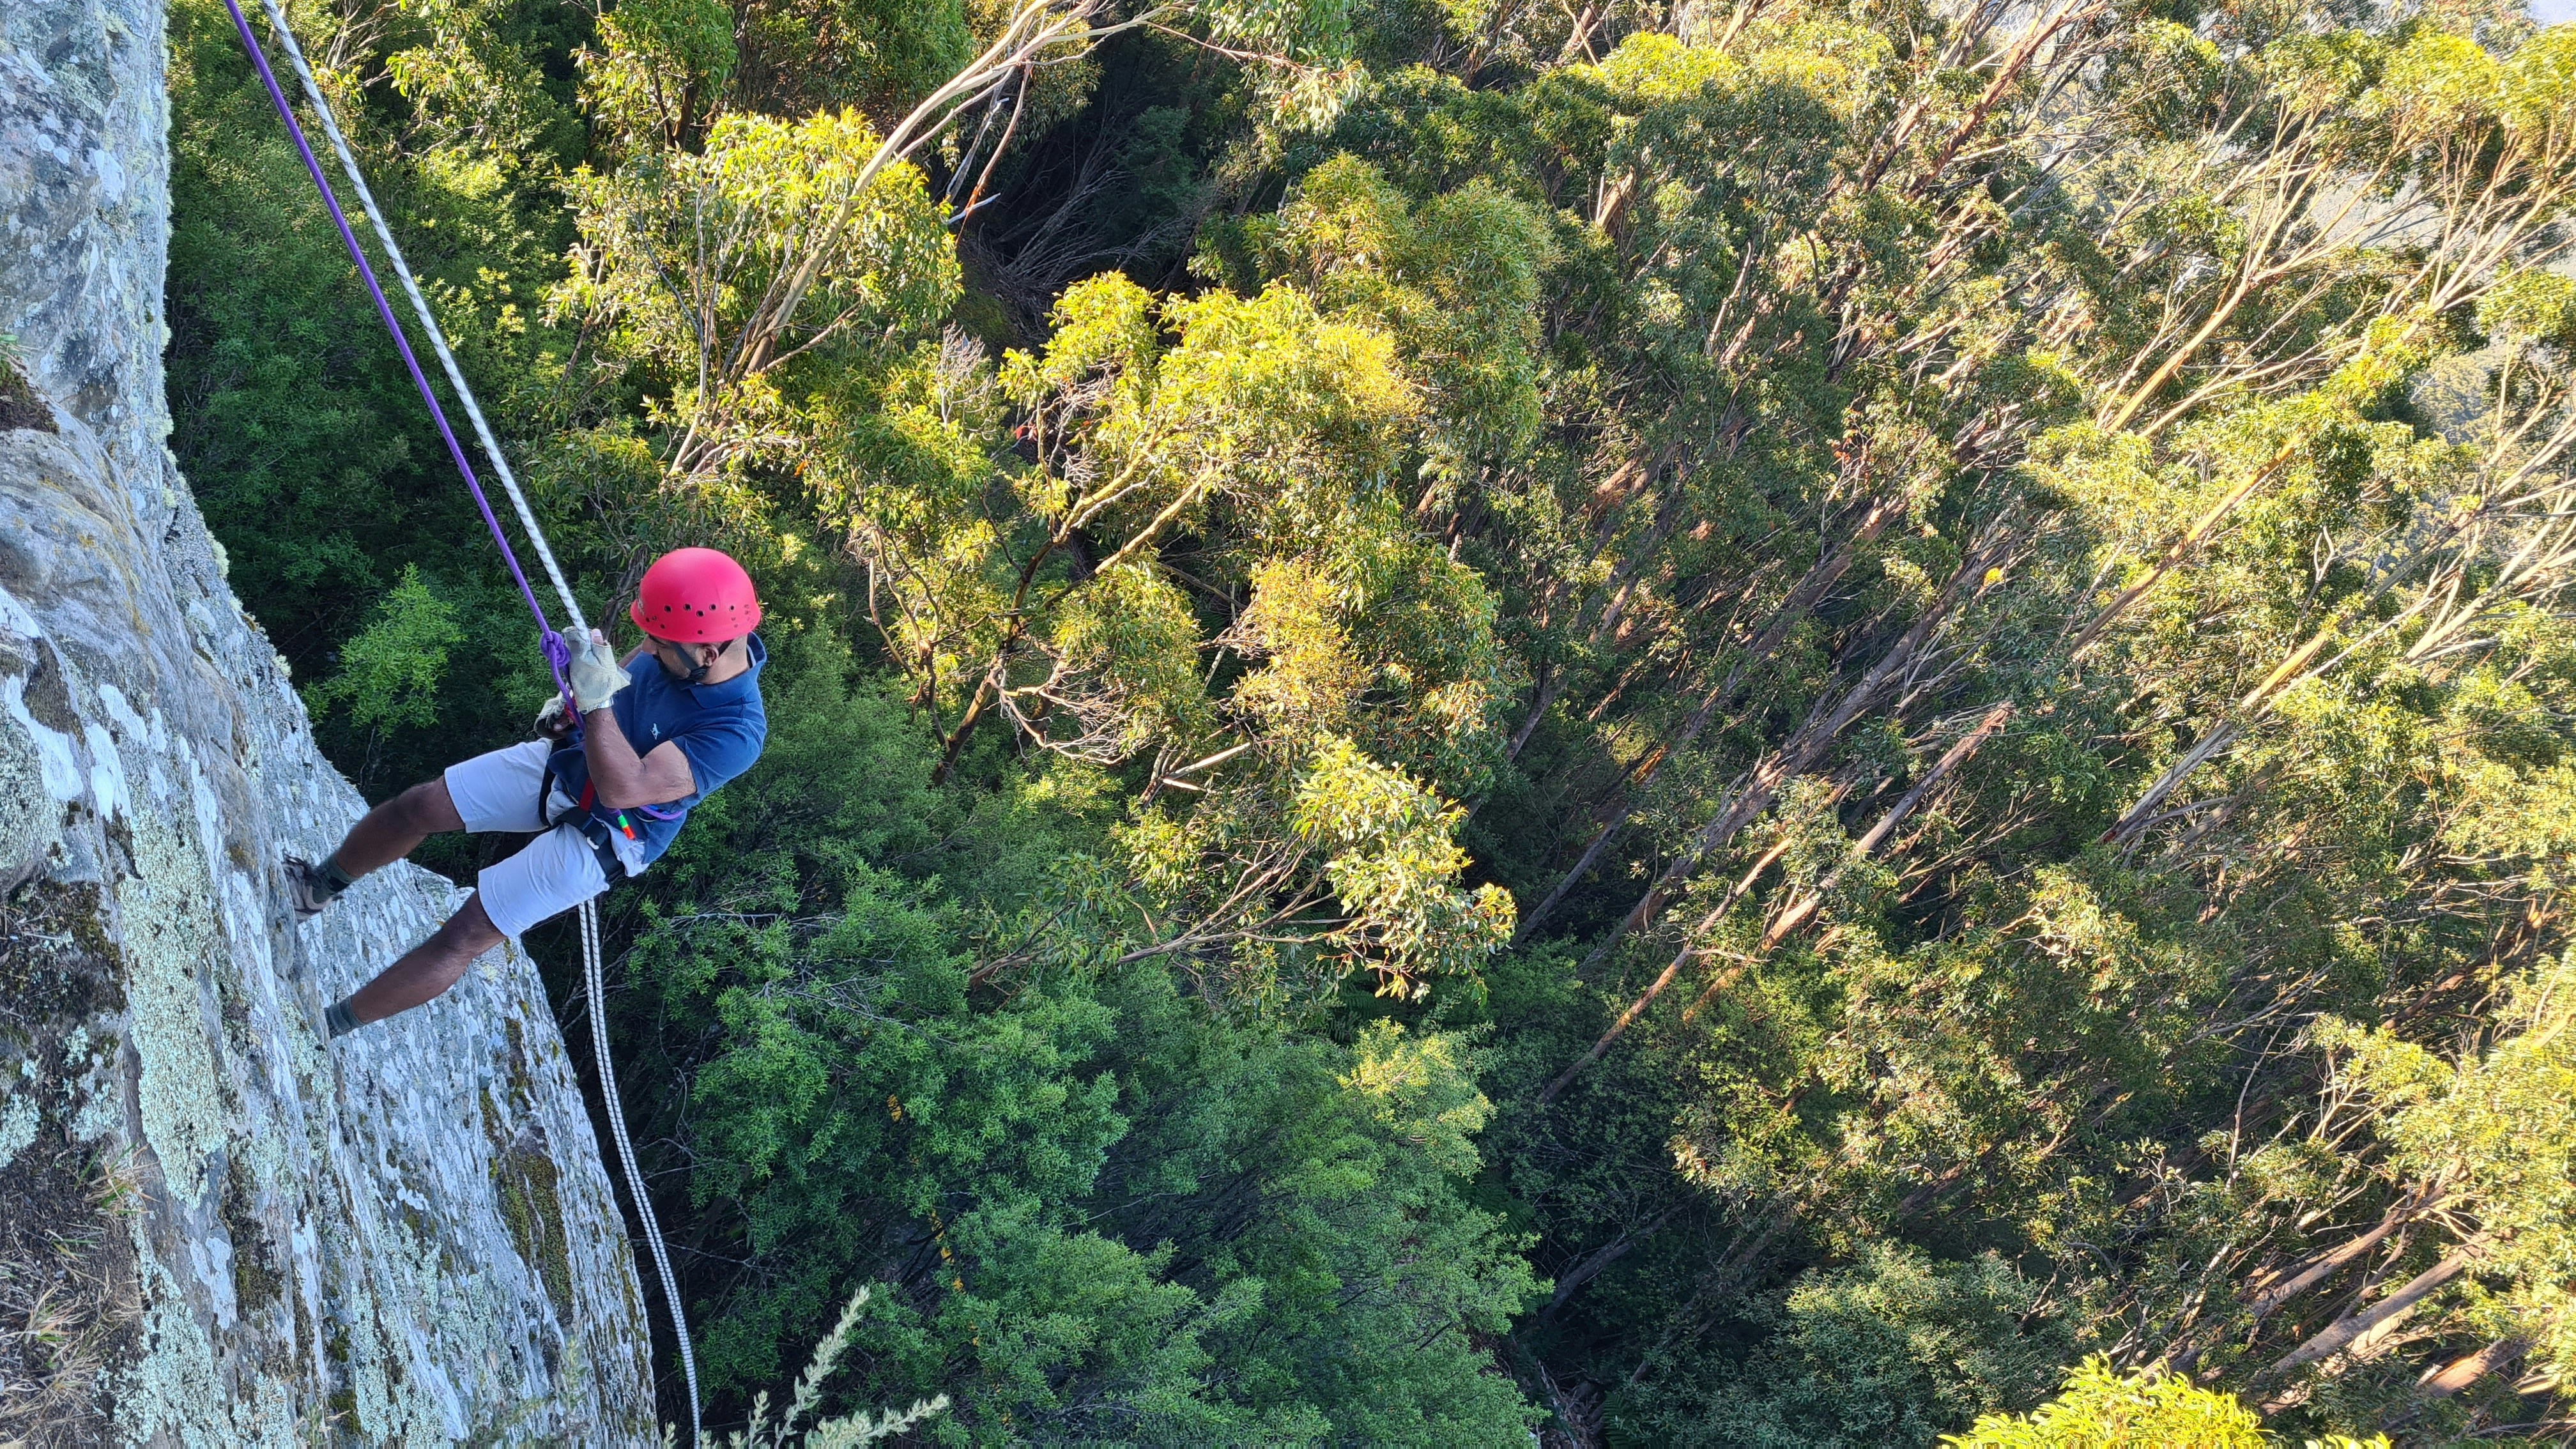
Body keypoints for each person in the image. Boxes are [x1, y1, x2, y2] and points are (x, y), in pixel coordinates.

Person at [285, 547, 768, 1037]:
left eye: (658, 643)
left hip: (617, 829)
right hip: (575, 762)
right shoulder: (680, 647)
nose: (646, 649)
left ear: (707, 654)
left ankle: (322, 1029)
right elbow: (615, 684)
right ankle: (314, 890)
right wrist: (573, 702)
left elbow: (626, 788)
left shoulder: (736, 732)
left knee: (467, 932)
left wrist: (596, 701)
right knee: (420, 806)